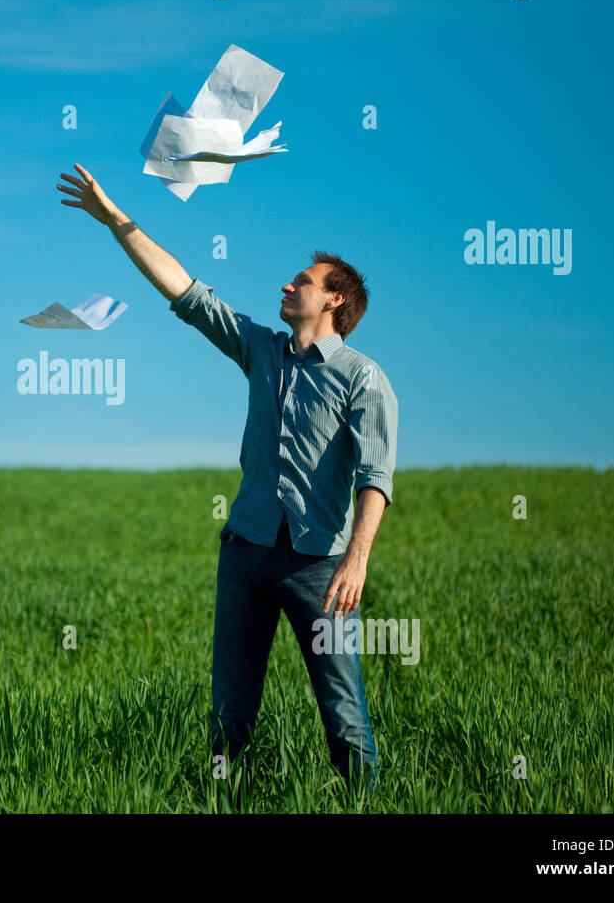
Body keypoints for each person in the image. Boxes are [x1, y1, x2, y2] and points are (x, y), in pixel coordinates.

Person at [57, 163, 397, 793]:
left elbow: (375, 477)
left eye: (304, 280)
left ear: (334, 299)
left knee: (342, 710)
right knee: (230, 712)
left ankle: (363, 802)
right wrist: (114, 221)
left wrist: (357, 561)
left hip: (318, 566)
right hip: (244, 552)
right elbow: (185, 290)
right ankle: (221, 801)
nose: (288, 284)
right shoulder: (261, 349)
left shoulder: (363, 378)